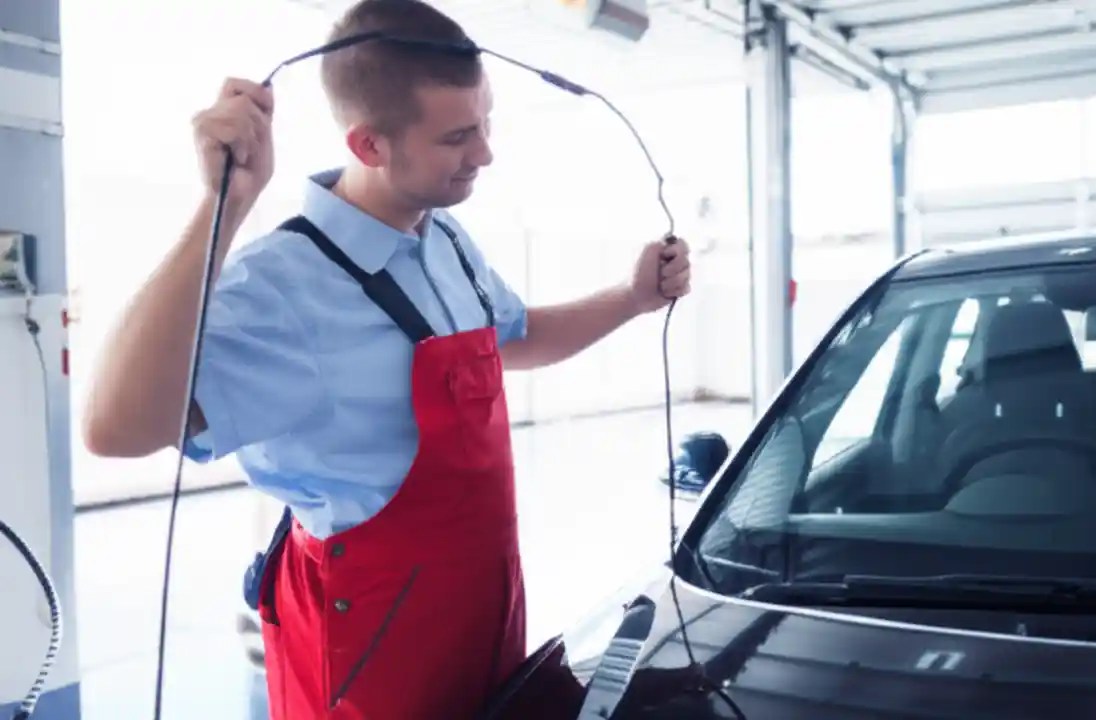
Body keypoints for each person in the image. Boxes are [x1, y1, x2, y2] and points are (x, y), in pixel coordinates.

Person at [80, 1, 692, 717]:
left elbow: (513, 340)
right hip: (368, 661)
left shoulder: (446, 243)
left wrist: (633, 297)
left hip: (480, 623)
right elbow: (114, 429)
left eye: (485, 123)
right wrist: (222, 206)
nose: (485, 153)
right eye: (459, 136)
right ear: (369, 146)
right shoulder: (282, 289)